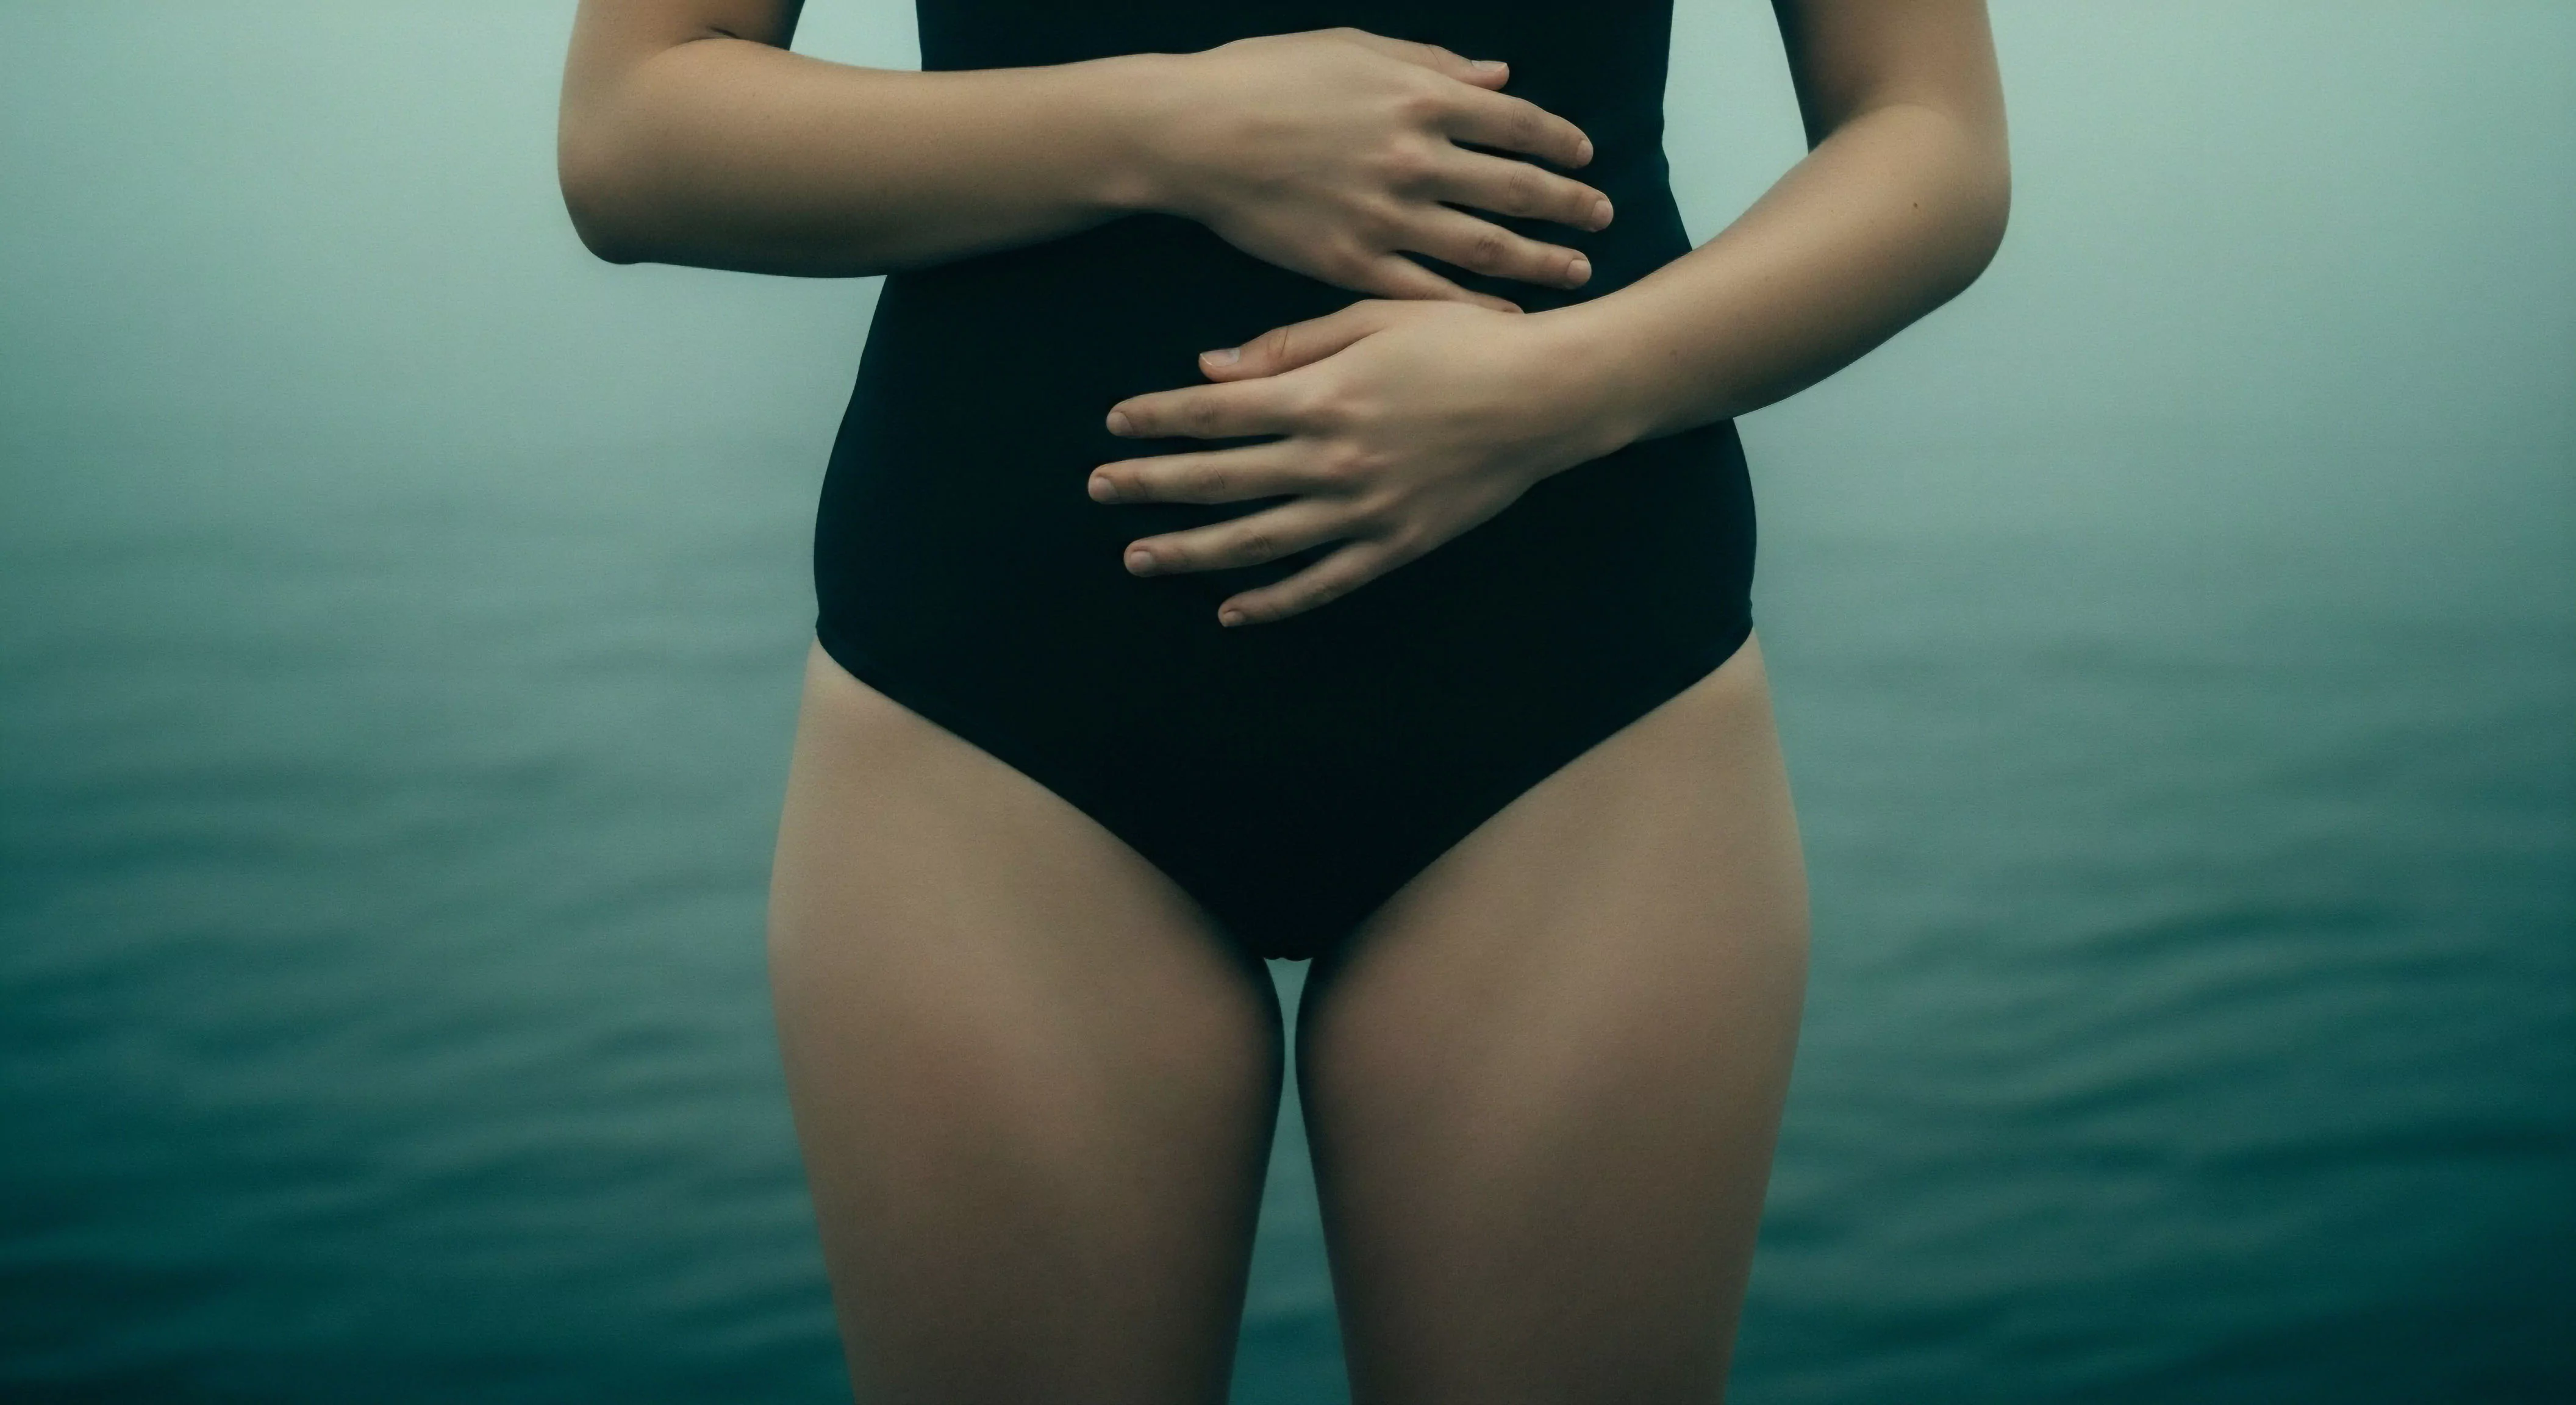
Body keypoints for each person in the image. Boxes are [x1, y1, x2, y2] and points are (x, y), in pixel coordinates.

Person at [557, 1, 2007, 1398]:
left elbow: (1930, 132)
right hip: (999, 713)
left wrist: (1552, 393)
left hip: (1578, 689)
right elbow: (634, 129)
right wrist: (1173, 125)